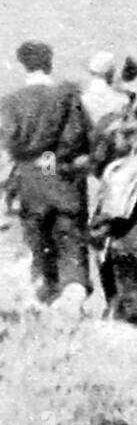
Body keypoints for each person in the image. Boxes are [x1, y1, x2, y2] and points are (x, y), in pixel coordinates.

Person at [0, 41, 92, 307]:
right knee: (70, 235)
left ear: (23, 65)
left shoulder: (10, 102)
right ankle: (72, 293)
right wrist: (55, 160)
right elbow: (78, 136)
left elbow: (8, 141)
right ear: (49, 62)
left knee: (37, 239)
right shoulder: (66, 96)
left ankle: (44, 290)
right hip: (60, 175)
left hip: (28, 177)